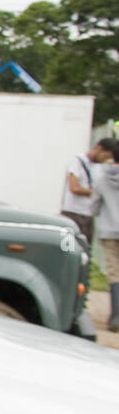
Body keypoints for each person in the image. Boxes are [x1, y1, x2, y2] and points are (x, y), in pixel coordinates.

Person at [61, 139, 112, 246]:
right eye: (106, 157)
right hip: (72, 213)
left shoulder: (98, 166)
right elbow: (74, 187)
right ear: (99, 148)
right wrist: (95, 192)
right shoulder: (77, 161)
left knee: (86, 249)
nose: (105, 160)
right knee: (68, 248)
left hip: (88, 214)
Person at [91, 137, 119, 330]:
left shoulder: (101, 178)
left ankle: (116, 317)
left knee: (115, 274)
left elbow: (93, 206)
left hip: (109, 231)